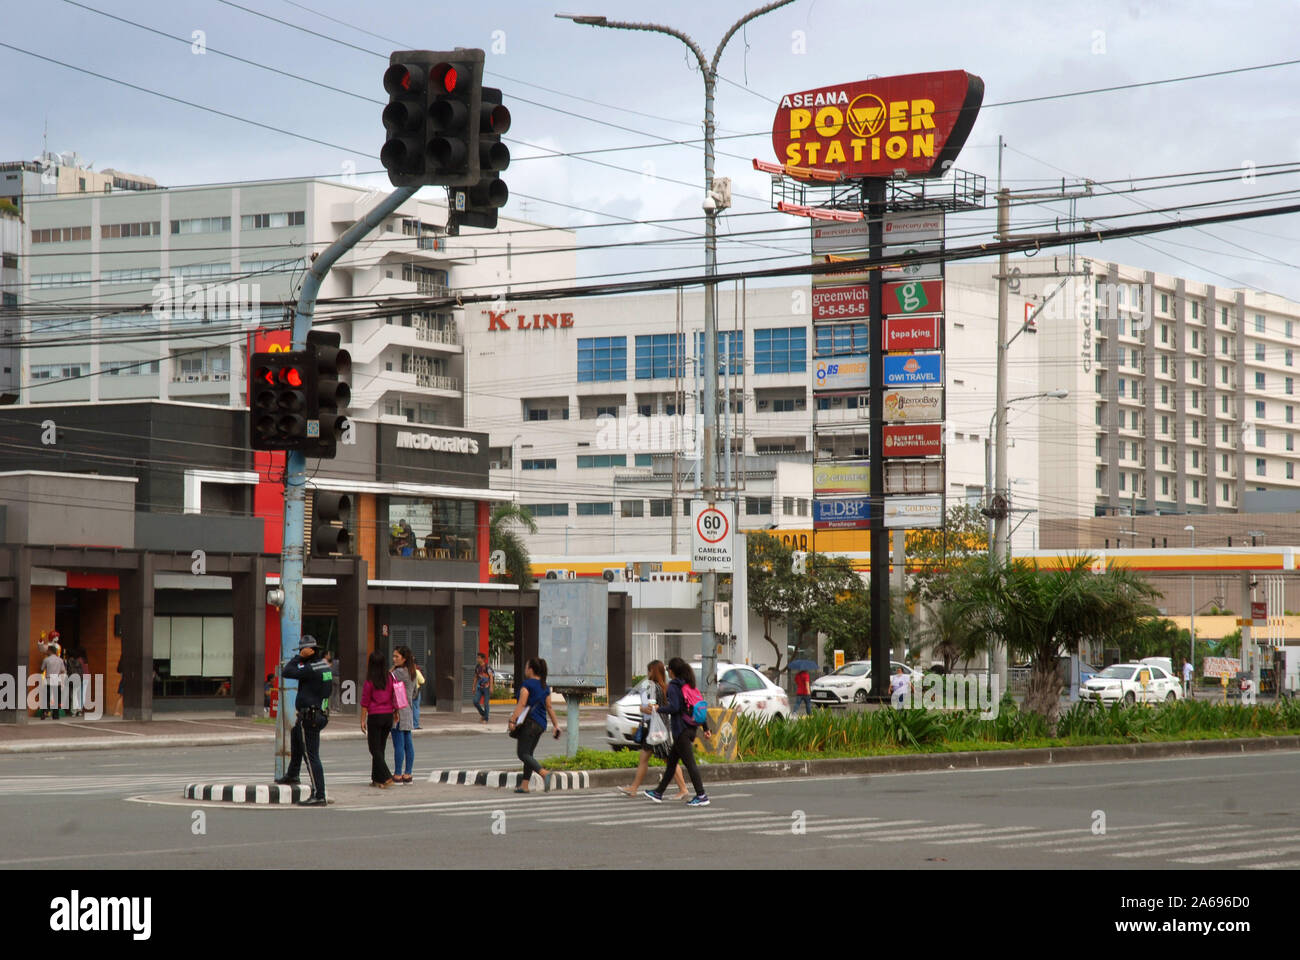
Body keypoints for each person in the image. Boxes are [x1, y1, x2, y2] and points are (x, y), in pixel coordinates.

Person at [644, 657, 711, 807]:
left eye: (668, 669)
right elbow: (698, 707)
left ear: (672, 671)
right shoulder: (690, 685)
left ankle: (701, 795)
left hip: (681, 730)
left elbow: (674, 708)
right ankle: (658, 792)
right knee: (672, 763)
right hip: (690, 728)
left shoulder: (674, 686)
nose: (667, 672)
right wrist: (705, 728)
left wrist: (658, 708)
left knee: (690, 764)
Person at [618, 660, 689, 800]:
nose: (647, 673)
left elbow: (651, 708)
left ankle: (683, 789)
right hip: (659, 727)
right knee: (645, 757)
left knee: (669, 759)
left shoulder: (653, 687)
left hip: (657, 729)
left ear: (653, 671)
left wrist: (641, 708)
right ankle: (634, 787)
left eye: (649, 670)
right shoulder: (664, 687)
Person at [277, 636, 333, 807]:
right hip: (320, 714)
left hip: (310, 716)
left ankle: (319, 794)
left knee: (311, 756)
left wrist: (298, 657)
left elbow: (286, 671)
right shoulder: (324, 666)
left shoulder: (310, 668)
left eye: (303, 651)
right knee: (296, 736)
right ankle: (293, 773)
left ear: (308, 651)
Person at [507, 658, 561, 794]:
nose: (525, 669)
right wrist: (556, 725)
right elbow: (549, 707)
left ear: (530, 669)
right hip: (541, 725)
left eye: (526, 667)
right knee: (529, 754)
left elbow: (522, 704)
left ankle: (544, 773)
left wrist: (512, 720)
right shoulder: (544, 686)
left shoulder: (527, 685)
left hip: (529, 723)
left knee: (523, 753)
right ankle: (524, 785)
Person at [360, 651, 396, 788]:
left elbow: (365, 702)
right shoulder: (390, 678)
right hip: (388, 716)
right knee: (380, 748)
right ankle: (377, 779)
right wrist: (395, 712)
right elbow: (394, 695)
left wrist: (362, 720)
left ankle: (386, 776)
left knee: (374, 748)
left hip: (375, 716)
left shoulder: (370, 681)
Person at [390, 646, 417, 784]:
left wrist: (392, 669)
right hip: (408, 710)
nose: (394, 659)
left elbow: (386, 680)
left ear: (404, 659)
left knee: (398, 744)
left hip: (398, 711)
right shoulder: (412, 672)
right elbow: (414, 693)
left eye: (396, 657)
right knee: (408, 743)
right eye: (393, 656)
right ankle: (408, 774)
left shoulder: (399, 672)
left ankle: (397, 774)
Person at [40, 644, 66, 720]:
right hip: (56, 680)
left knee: (46, 698)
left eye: (47, 650)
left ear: (50, 651)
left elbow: (42, 669)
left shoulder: (46, 660)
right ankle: (56, 715)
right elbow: (63, 670)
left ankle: (44, 713)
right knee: (56, 698)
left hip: (48, 680)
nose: (47, 651)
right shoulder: (60, 660)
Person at [472, 652, 493, 723]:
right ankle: (484, 714)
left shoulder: (487, 667)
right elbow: (475, 677)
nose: (477, 659)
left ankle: (485, 719)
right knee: (475, 701)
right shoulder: (477, 667)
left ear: (483, 659)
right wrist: (474, 687)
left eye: (479, 658)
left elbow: (491, 677)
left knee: (486, 703)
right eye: (477, 658)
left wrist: (491, 687)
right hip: (479, 687)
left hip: (486, 687)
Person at [412, 660, 425, 729]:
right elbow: (422, 681)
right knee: (415, 708)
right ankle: (415, 725)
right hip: (415, 692)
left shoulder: (404, 671)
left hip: (406, 692)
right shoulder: (416, 672)